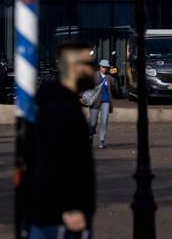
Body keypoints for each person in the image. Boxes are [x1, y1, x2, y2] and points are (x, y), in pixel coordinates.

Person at [27, 42, 96, 238]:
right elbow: (53, 161)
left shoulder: (63, 103)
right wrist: (70, 208)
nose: (93, 70)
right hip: (60, 219)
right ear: (75, 68)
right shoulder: (61, 109)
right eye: (89, 64)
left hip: (57, 215)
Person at [89, 59, 113, 149]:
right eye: (103, 67)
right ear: (100, 67)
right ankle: (90, 138)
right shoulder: (94, 75)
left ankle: (102, 141)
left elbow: (114, 87)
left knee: (104, 121)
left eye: (106, 67)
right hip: (95, 102)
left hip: (106, 101)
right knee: (93, 123)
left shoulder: (109, 77)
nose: (104, 69)